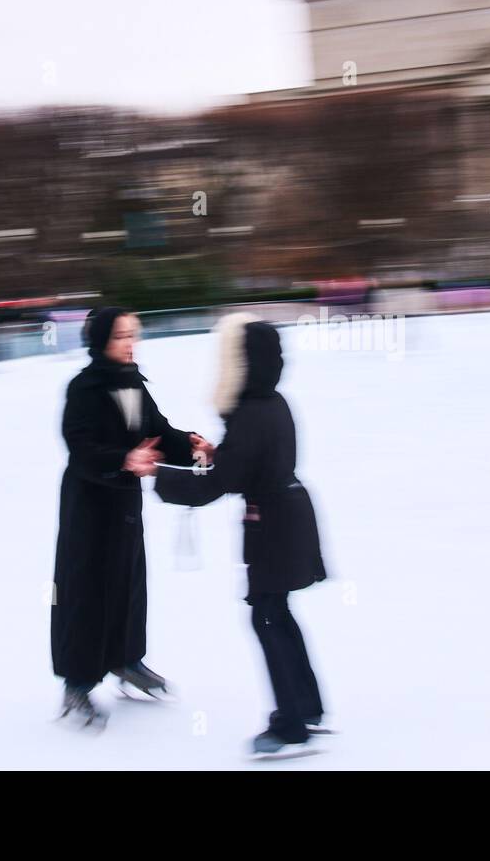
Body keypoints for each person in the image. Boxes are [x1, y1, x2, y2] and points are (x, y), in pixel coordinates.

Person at [150, 313, 328, 757]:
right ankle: (305, 708)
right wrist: (219, 454)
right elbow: (241, 465)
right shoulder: (274, 402)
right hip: (288, 516)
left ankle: (291, 726)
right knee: (277, 613)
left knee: (267, 616)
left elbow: (216, 485)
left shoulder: (250, 412)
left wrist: (157, 475)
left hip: (273, 525)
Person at [51, 306, 212, 728]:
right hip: (89, 509)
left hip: (123, 507)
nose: (130, 342)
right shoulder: (83, 388)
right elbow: (80, 448)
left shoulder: (134, 384)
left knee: (128, 585)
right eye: (121, 335)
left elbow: (158, 432)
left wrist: (192, 445)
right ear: (102, 339)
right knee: (86, 593)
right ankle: (77, 682)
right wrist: (123, 459)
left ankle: (126, 660)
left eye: (132, 334)